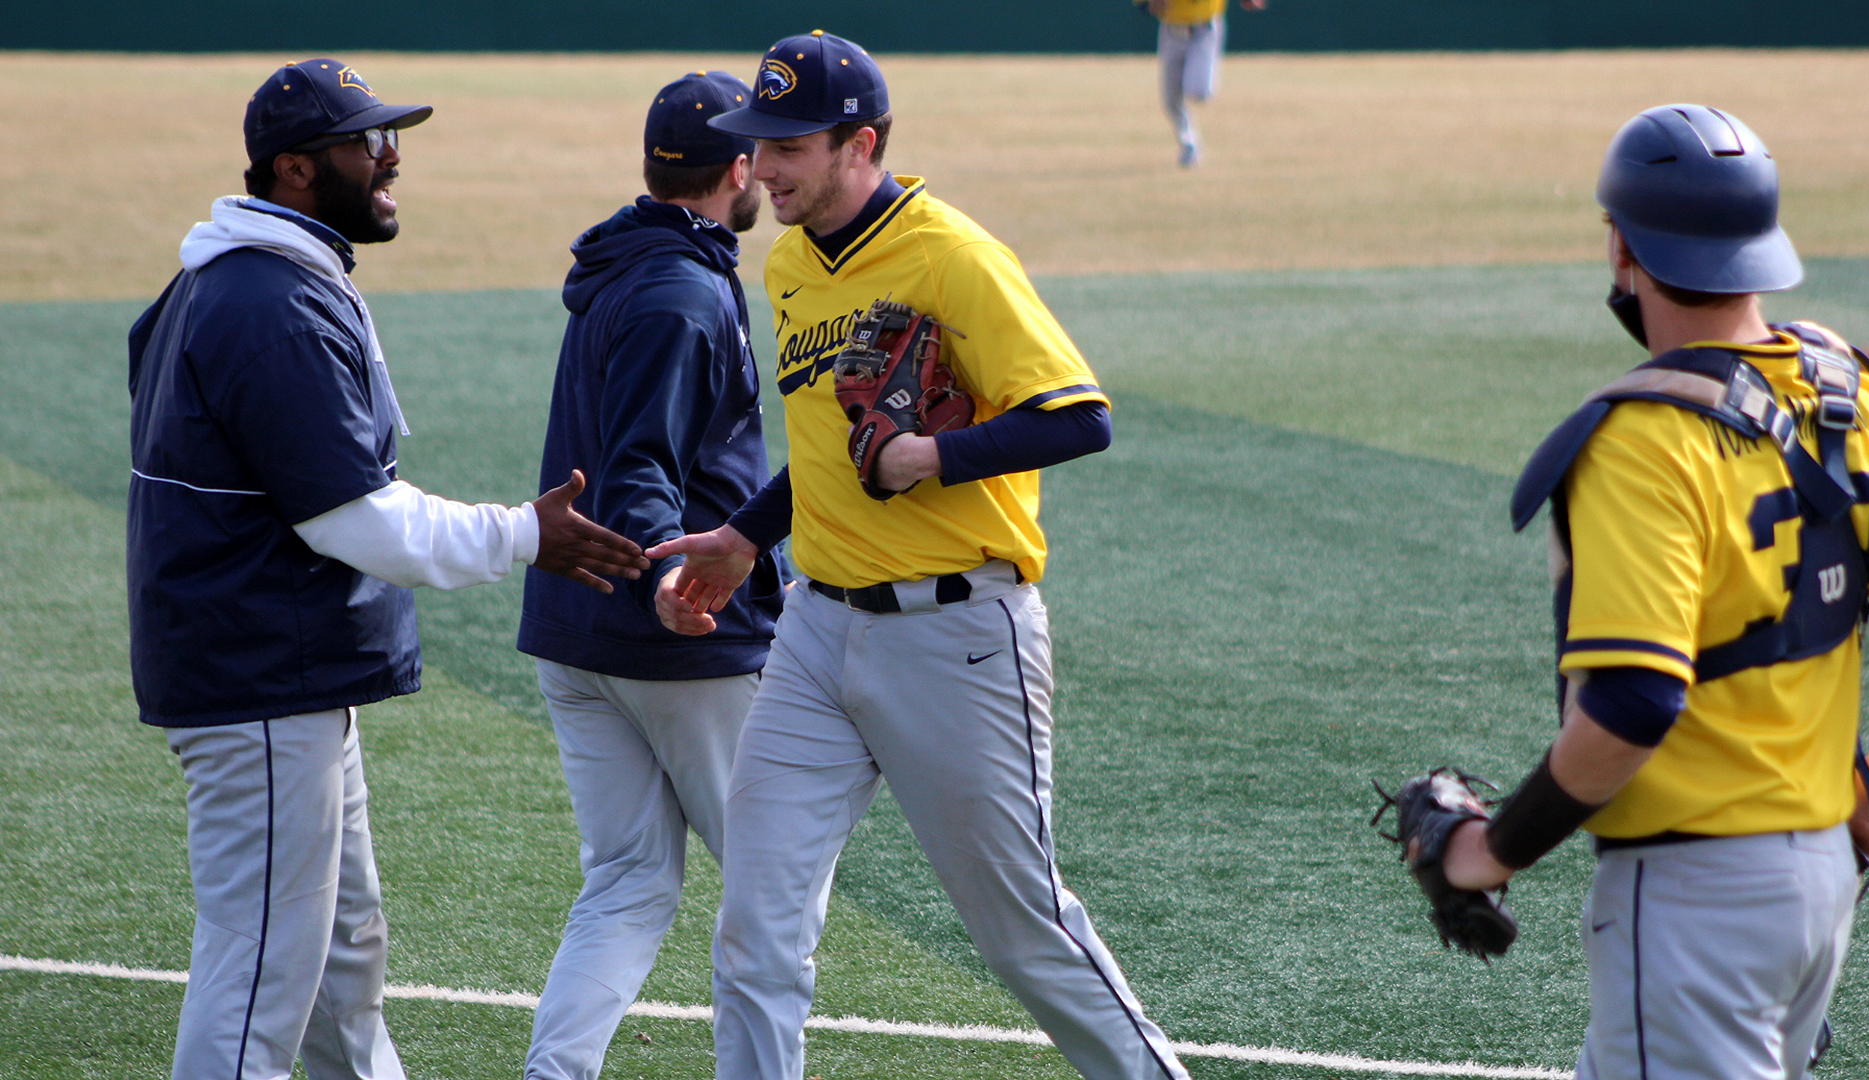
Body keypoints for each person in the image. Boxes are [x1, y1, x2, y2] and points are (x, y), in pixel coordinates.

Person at [647, 30, 1191, 1080]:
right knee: (756, 927)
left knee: (1022, 928)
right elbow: (830, 449)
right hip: (814, 635)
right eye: (757, 144)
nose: (762, 169)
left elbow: (1080, 416)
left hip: (958, 636)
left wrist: (934, 456)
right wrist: (742, 537)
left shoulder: (954, 256)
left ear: (861, 144)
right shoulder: (790, 264)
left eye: (789, 146)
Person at [126, 59, 647, 1080]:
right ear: (295, 169)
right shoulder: (270, 305)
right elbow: (358, 524)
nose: (392, 156)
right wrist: (525, 535)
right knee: (261, 974)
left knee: (341, 955)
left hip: (277, 670)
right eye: (368, 141)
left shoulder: (234, 279)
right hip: (260, 678)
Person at [1441, 104, 1869, 1077]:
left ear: (1624, 249)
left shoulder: (1643, 441)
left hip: (1696, 900)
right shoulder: (1854, 400)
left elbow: (1633, 703)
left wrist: (1491, 850)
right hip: (1821, 886)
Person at [513, 71, 784, 1080]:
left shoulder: (629, 262)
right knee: (771, 893)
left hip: (577, 634)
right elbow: (639, 465)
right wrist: (665, 583)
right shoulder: (682, 290)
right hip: (675, 639)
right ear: (738, 169)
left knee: (628, 880)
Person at [1138, 0, 1265, 167]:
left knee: (1199, 91)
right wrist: (1148, 4)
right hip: (1171, 30)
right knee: (1171, 100)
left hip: (1204, 29)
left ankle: (1195, 140)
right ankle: (1189, 143)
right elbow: (1144, 6)